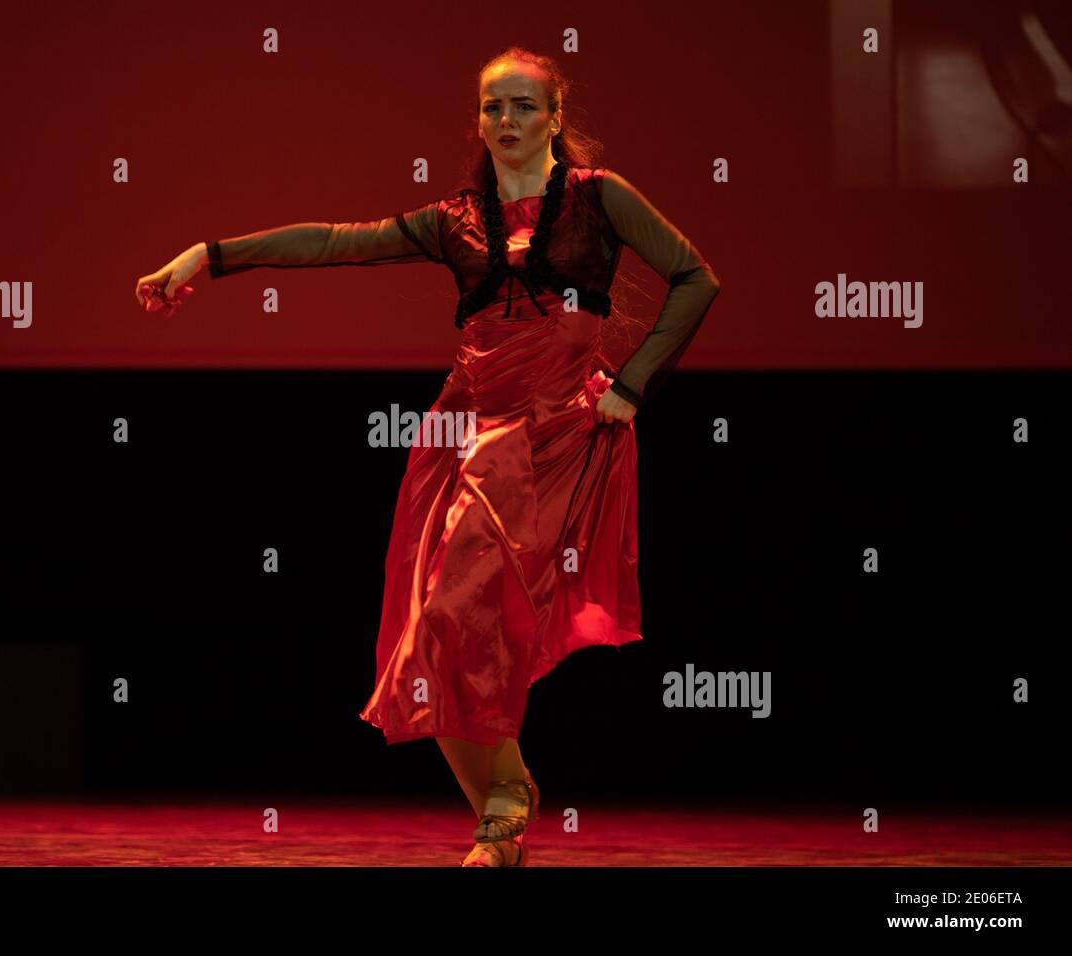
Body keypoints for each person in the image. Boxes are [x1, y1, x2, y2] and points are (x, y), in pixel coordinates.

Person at [134, 47, 721, 866]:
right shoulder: (456, 217)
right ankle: (500, 820)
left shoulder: (600, 199)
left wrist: (631, 385)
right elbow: (337, 242)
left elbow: (696, 278)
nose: (507, 122)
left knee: (462, 611)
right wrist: (211, 254)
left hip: (550, 429)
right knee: (424, 627)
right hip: (465, 424)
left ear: (554, 116)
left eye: (523, 106)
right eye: (492, 108)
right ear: (479, 120)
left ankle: (508, 796)